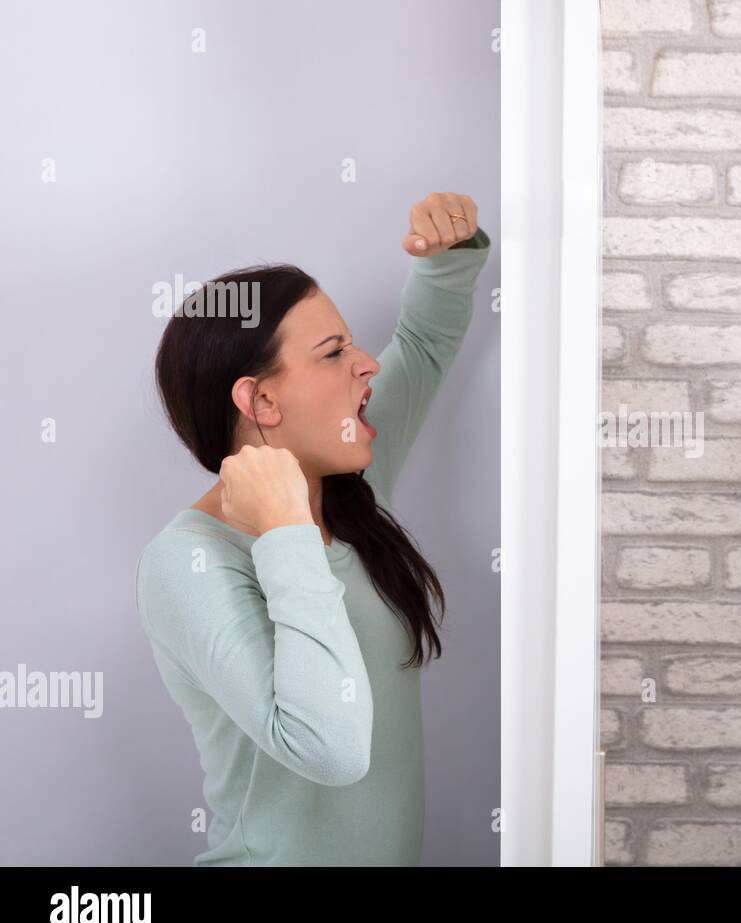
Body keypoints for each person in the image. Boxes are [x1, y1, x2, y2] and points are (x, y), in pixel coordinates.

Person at [136, 192, 490, 865]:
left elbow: (424, 342)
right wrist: (284, 531)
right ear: (260, 399)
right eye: (333, 353)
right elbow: (329, 749)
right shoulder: (187, 562)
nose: (367, 364)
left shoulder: (351, 491)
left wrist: (449, 251)